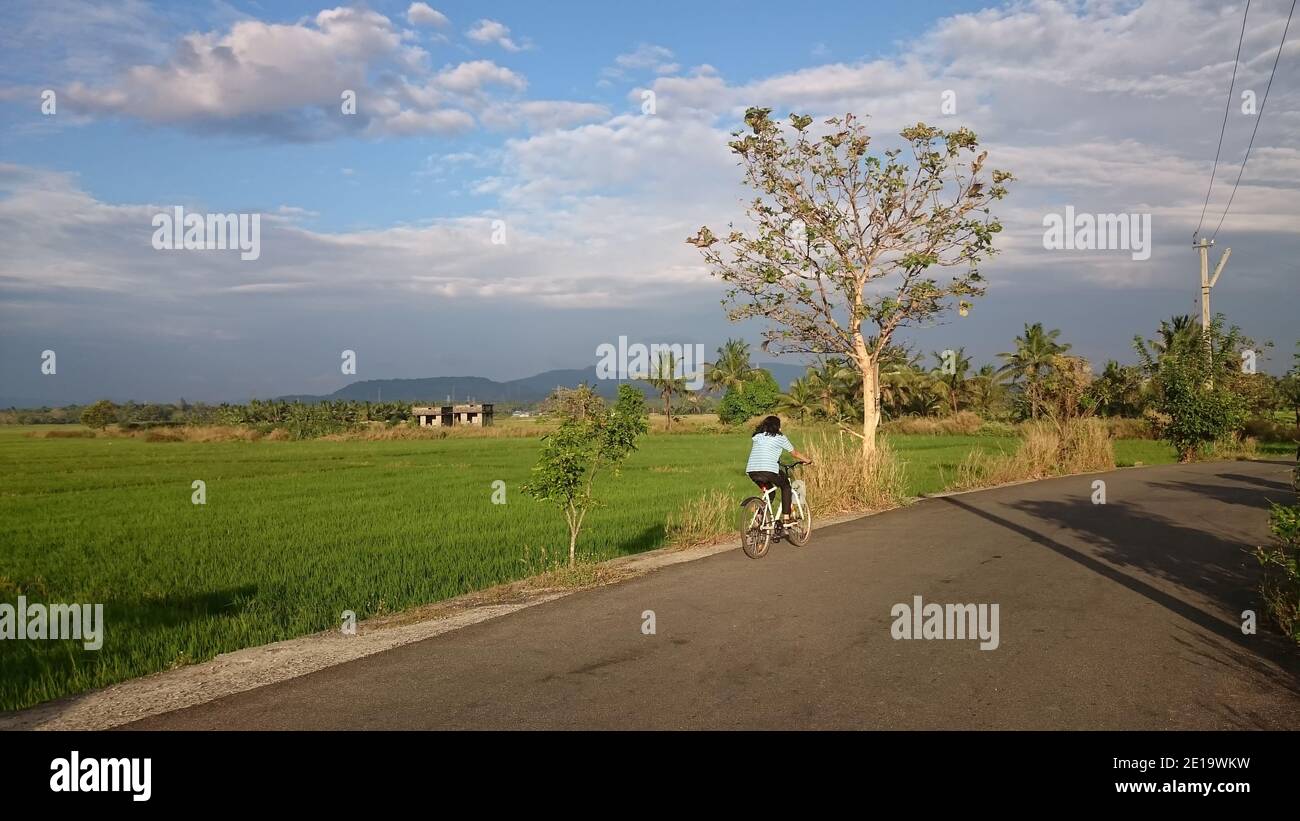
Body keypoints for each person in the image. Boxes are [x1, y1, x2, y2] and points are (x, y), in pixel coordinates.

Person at [745, 415, 812, 528]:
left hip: (752, 471)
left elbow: (764, 451)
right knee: (786, 487)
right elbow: (794, 453)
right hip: (768, 470)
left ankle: (759, 517)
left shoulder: (757, 436)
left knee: (770, 491)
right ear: (777, 427)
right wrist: (807, 460)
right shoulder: (780, 438)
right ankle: (786, 518)